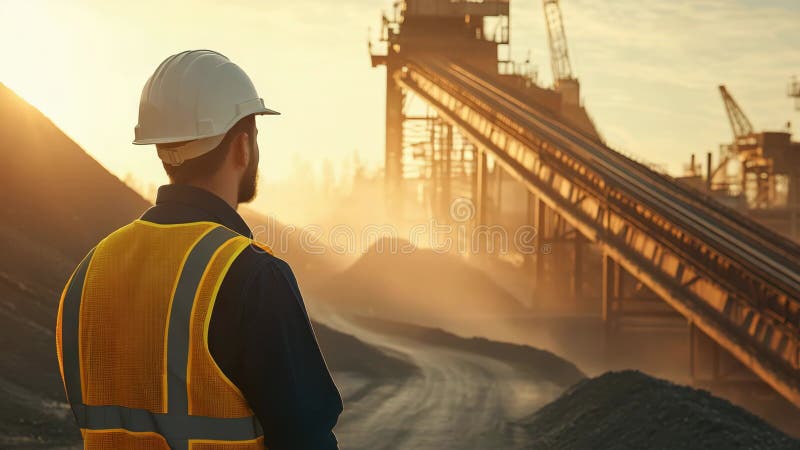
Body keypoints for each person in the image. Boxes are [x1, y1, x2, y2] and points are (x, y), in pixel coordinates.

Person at [55, 50, 342, 450]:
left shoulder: (88, 273)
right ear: (243, 148)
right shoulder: (251, 275)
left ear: (161, 148)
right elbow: (306, 438)